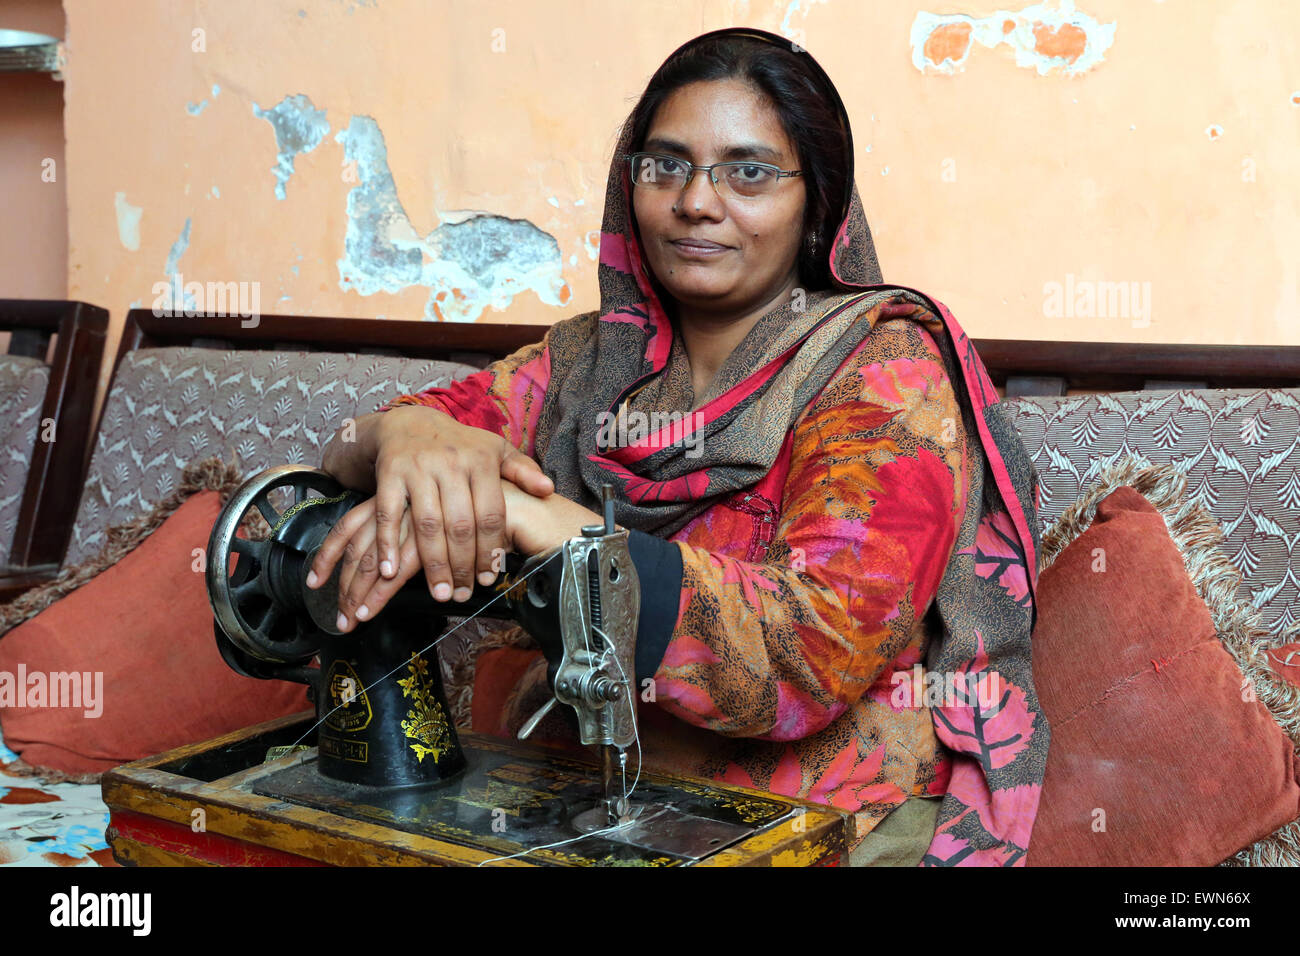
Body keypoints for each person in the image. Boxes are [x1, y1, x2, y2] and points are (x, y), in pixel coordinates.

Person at [310, 26, 1049, 866]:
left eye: (749, 172)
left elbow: (811, 653)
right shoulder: (590, 359)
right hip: (579, 792)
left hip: (818, 819)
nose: (697, 201)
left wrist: (546, 523)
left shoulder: (882, 371)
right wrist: (405, 433)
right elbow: (357, 445)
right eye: (666, 165)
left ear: (819, 200)